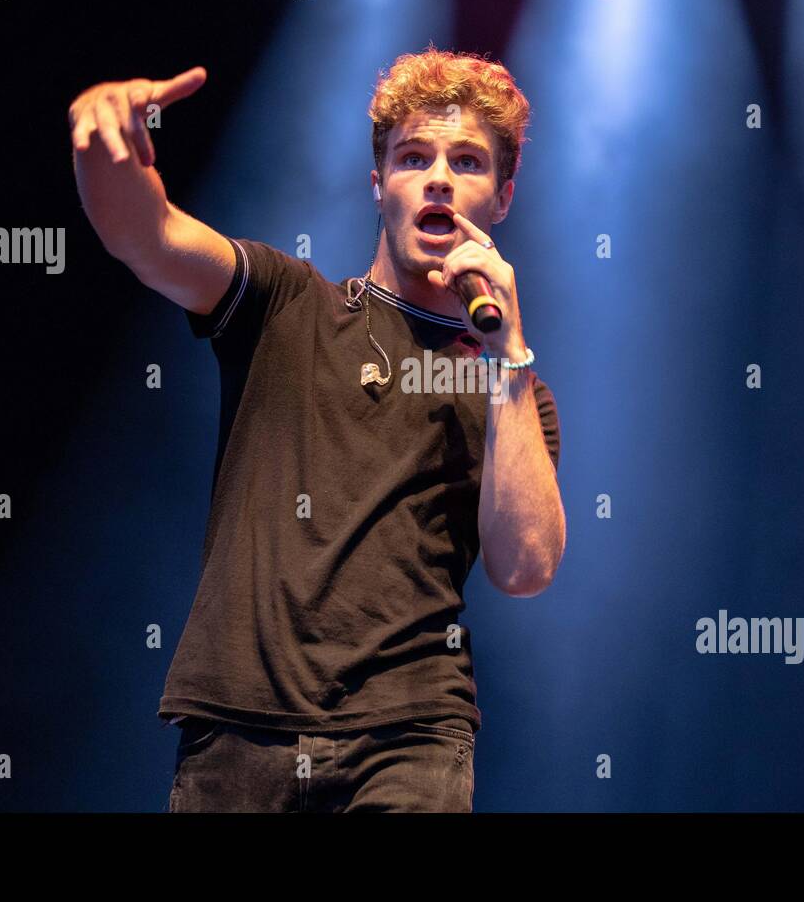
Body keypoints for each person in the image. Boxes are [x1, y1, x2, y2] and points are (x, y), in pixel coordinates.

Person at [68, 47, 566, 812]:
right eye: (413, 158)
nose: (438, 177)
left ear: (501, 196)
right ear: (380, 186)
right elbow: (148, 235)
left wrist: (509, 358)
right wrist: (101, 144)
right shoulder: (286, 303)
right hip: (239, 726)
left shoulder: (513, 389)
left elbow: (526, 566)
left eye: (466, 161)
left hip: (412, 738)